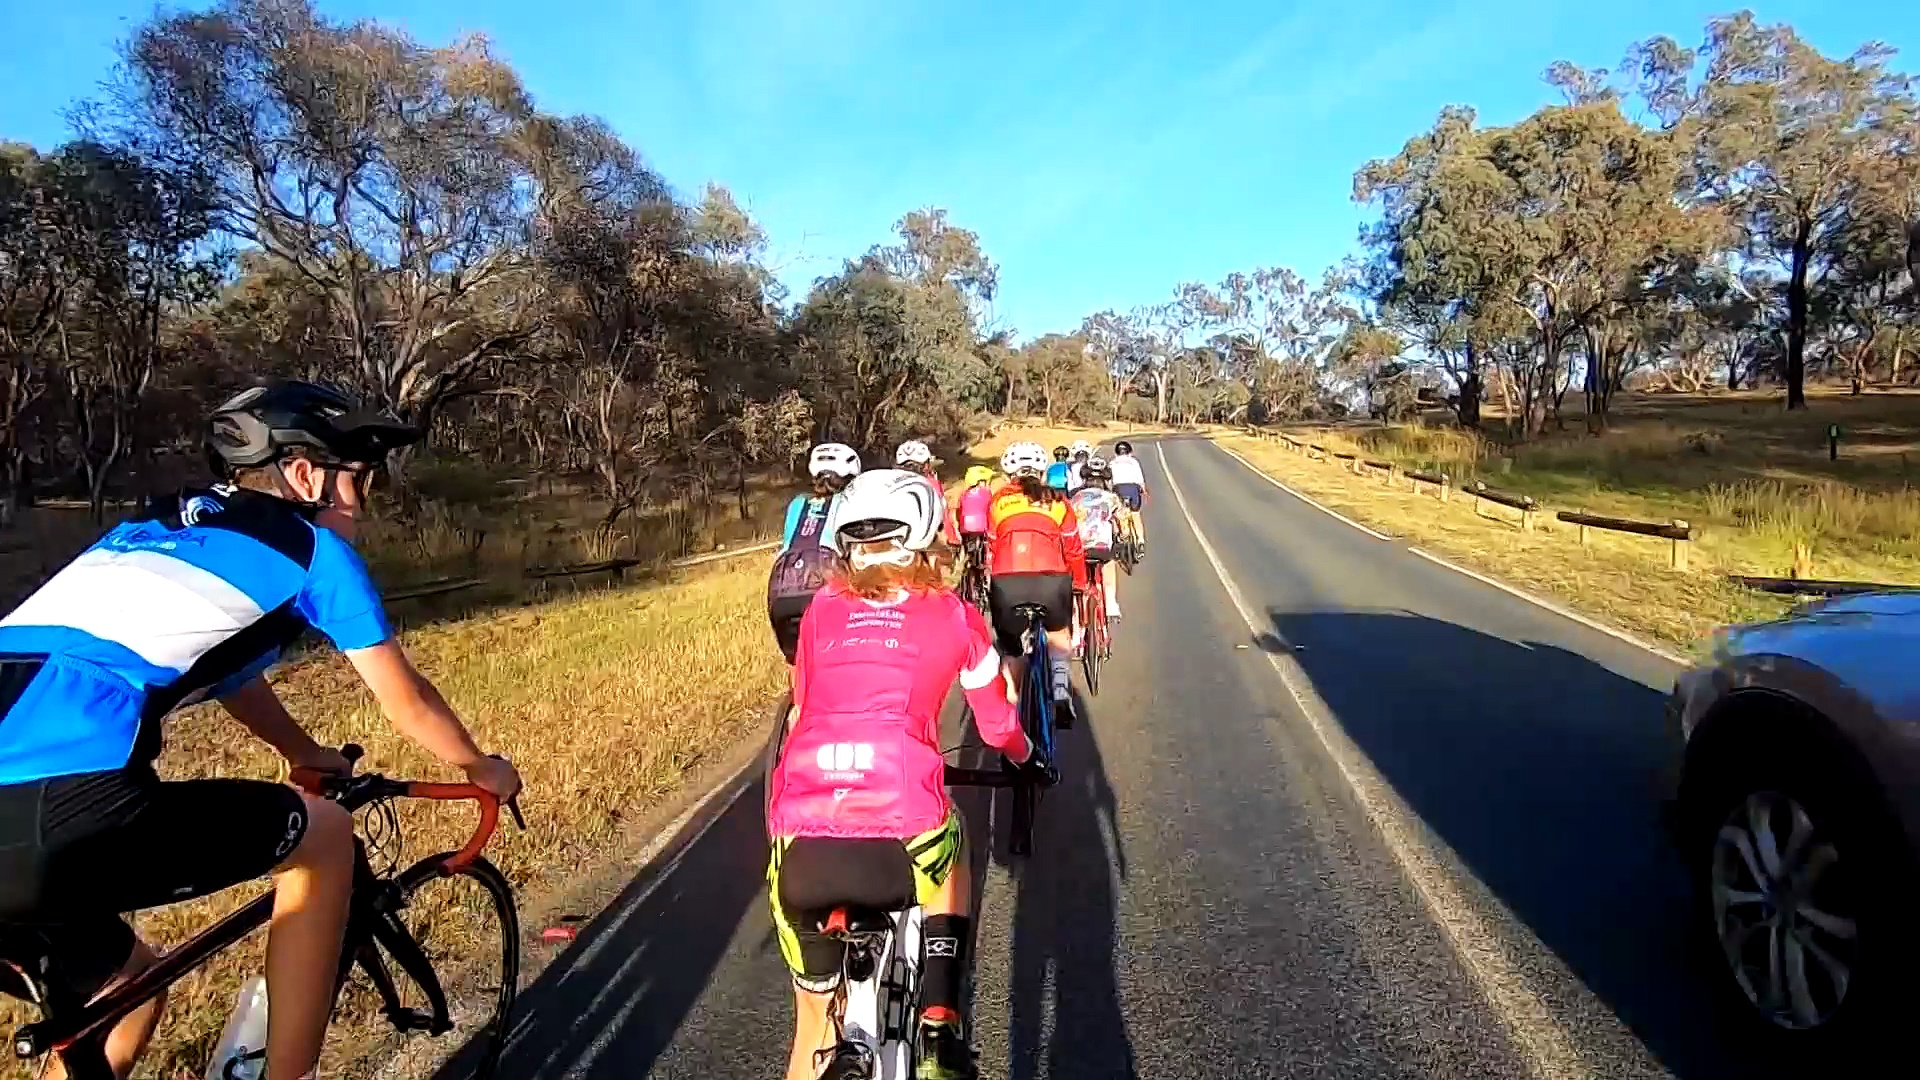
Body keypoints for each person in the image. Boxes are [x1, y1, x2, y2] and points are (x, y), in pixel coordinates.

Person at [0, 379, 522, 1080]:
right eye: (360, 481)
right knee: (327, 839)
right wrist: (480, 767)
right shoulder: (313, 551)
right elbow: (408, 700)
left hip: (29, 811)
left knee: (120, 996)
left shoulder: (152, 531)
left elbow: (230, 673)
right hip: (54, 804)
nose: (363, 505)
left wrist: (303, 752)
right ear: (305, 475)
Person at [766, 468, 1052, 1080]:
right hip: (905, 824)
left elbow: (804, 704)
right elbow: (997, 724)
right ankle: (940, 1022)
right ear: (925, 533)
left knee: (812, 1030)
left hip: (799, 840)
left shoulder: (819, 611)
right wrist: (1026, 756)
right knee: (958, 845)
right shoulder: (953, 616)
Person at [988, 442, 1086, 714]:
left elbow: (992, 546)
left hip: (1007, 581)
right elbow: (1074, 549)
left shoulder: (997, 502)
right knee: (1057, 633)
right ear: (1042, 472)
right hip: (1051, 579)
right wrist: (1078, 583)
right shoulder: (1058, 502)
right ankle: (1060, 688)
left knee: (1011, 648)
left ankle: (1010, 702)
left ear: (1009, 475)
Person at [769, 443, 862, 664]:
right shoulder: (848, 503)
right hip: (824, 583)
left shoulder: (797, 503)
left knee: (801, 661)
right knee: (844, 658)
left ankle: (803, 695)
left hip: (781, 590)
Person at [1070, 458, 1126, 621]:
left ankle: (1074, 621)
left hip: (1078, 548)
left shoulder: (1075, 497)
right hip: (1101, 547)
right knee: (1109, 563)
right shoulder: (1112, 498)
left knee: (1073, 580)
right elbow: (1122, 519)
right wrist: (1123, 536)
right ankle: (1111, 603)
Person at [953, 465, 996, 578]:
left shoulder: (963, 495)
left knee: (970, 555)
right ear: (980, 481)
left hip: (965, 529)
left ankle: (968, 572)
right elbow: (991, 511)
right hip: (981, 529)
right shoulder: (986, 493)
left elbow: (958, 512)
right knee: (981, 559)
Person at [1109, 439, 1149, 554]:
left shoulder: (1112, 463)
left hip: (1119, 489)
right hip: (1133, 488)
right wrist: (1144, 491)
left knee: (1121, 513)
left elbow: (1109, 481)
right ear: (1129, 452)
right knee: (1135, 514)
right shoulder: (1134, 462)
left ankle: (1124, 536)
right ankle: (1140, 541)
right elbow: (1140, 480)